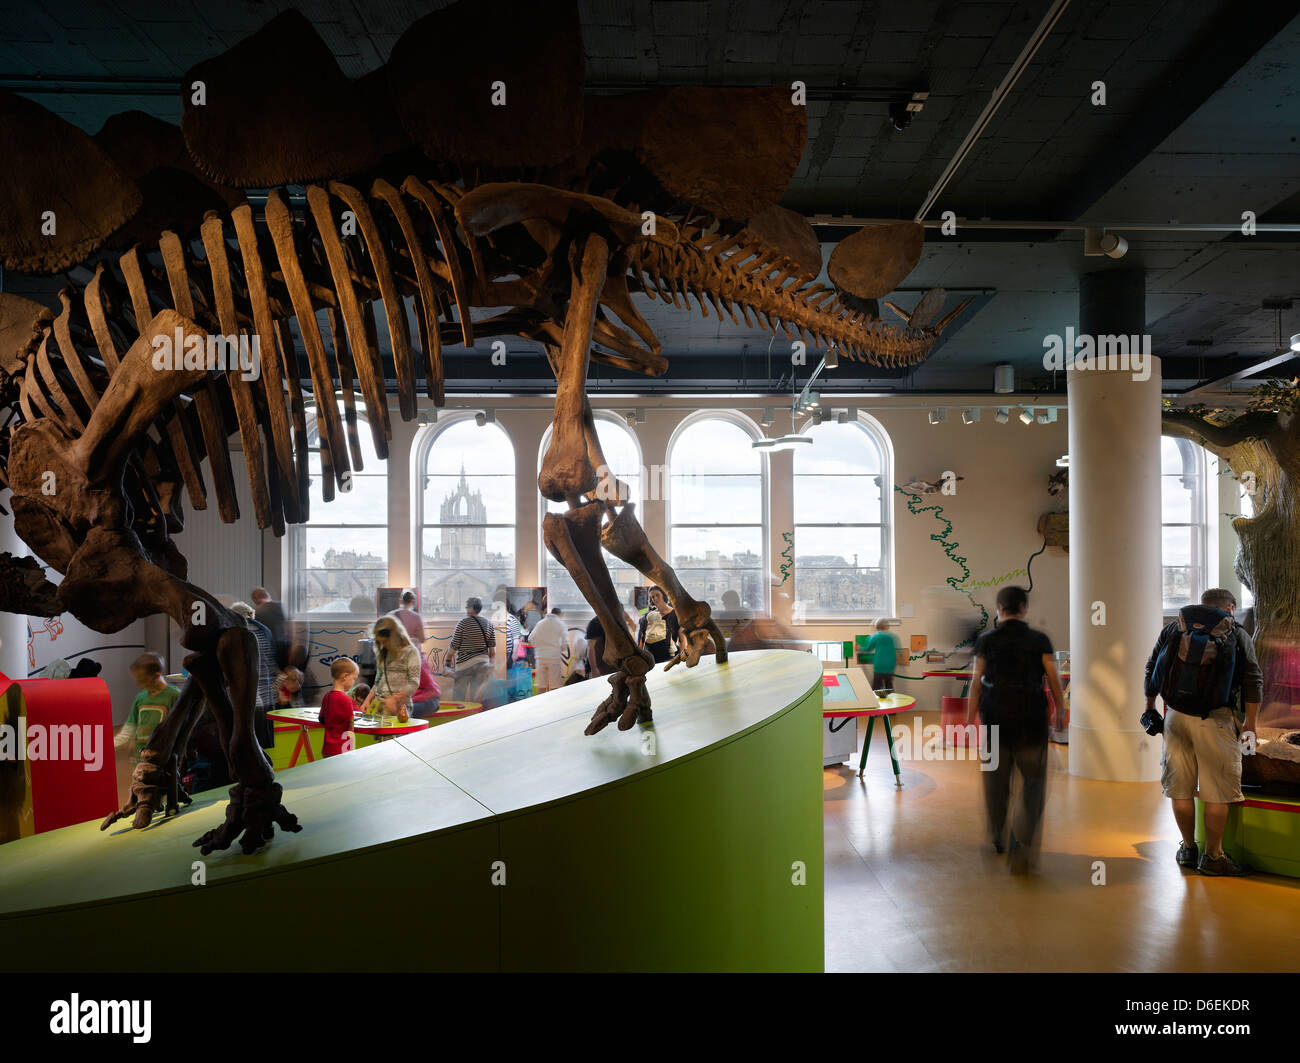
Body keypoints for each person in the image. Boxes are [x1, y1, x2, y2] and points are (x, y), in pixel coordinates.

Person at [1144, 588, 1262, 877]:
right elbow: (1252, 680)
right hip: (1217, 720)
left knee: (1179, 788)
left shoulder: (1175, 627)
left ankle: (1187, 848)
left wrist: (1151, 708)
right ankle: (1213, 856)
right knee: (1217, 792)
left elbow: (1151, 669)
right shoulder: (1236, 632)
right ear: (1230, 608)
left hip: (1175, 717)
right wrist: (1250, 727)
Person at [966, 586, 1066, 874]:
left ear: (999, 608)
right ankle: (1022, 839)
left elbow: (976, 682)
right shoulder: (1039, 639)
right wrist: (1060, 709)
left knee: (995, 784)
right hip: (1031, 720)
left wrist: (969, 719)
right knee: (1033, 785)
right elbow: (1052, 677)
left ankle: (998, 835)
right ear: (1024, 608)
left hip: (996, 718)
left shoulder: (987, 640)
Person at [115, 652, 182, 765]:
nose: (138, 683)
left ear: (157, 675)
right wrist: (110, 744)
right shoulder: (140, 698)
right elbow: (129, 727)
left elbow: (182, 727)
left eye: (142, 679)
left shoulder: (175, 695)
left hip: (164, 757)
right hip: (140, 757)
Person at [232, 600, 277, 751]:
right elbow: (271, 662)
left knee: (246, 739)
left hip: (247, 691)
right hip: (266, 692)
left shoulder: (238, 631)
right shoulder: (265, 631)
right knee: (263, 739)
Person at [363, 616, 422, 719]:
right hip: (379, 705)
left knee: (399, 735)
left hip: (399, 707)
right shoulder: (384, 652)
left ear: (394, 636)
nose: (383, 645)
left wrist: (394, 699)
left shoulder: (410, 652)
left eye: (385, 642)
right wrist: (367, 700)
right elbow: (377, 682)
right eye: (380, 642)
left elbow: (414, 682)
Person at [449, 597, 496, 702]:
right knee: (476, 699)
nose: (466, 610)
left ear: (471, 608)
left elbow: (454, 645)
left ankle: (459, 717)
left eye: (467, 607)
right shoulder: (489, 624)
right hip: (482, 665)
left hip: (464, 665)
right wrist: (491, 665)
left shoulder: (463, 623)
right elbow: (492, 651)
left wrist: (447, 661)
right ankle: (476, 718)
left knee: (458, 698)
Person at [319, 658, 359, 757]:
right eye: (354, 678)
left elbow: (321, 719)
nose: (354, 682)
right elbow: (350, 724)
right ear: (345, 676)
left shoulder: (327, 696)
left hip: (328, 748)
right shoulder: (346, 699)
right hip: (343, 749)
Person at [530, 607, 568, 693]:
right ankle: (553, 705)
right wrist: (559, 648)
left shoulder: (541, 623)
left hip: (540, 657)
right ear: (559, 614)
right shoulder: (560, 624)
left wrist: (539, 647)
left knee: (541, 685)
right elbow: (565, 645)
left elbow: (531, 639)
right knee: (554, 685)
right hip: (553, 658)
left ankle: (541, 704)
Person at [637, 587, 679, 664]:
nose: (655, 598)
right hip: (651, 655)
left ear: (664, 595)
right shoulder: (648, 615)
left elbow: (682, 639)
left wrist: (679, 660)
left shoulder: (675, 614)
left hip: (669, 655)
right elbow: (642, 637)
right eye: (652, 597)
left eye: (657, 595)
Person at [250, 587, 290, 669]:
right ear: (267, 595)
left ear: (255, 599)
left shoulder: (254, 611)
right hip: (284, 645)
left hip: (267, 648)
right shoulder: (281, 606)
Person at [863, 619, 900, 693]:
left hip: (879, 665)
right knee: (889, 686)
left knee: (876, 688)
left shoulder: (876, 636)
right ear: (887, 626)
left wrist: (860, 648)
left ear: (876, 626)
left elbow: (868, 648)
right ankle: (892, 703)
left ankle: (877, 703)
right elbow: (898, 650)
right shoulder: (893, 636)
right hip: (890, 665)